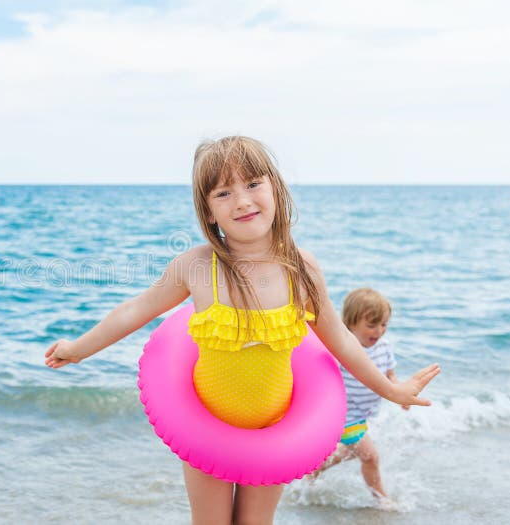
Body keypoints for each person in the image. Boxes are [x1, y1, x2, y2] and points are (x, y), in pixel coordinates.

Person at [44, 136, 440, 525]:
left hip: (274, 430)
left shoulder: (301, 268)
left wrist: (391, 389)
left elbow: (339, 339)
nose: (242, 200)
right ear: (209, 212)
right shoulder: (198, 267)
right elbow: (136, 309)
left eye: (253, 184)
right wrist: (79, 348)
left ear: (275, 189)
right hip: (206, 426)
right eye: (223, 193)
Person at [309, 288, 407, 506]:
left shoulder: (384, 347)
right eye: (371, 326)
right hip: (343, 416)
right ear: (350, 324)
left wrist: (401, 394)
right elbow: (322, 379)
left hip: (363, 414)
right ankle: (382, 499)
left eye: (384, 325)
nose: (379, 331)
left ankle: (317, 468)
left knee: (353, 452)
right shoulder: (343, 350)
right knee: (370, 456)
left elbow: (390, 375)